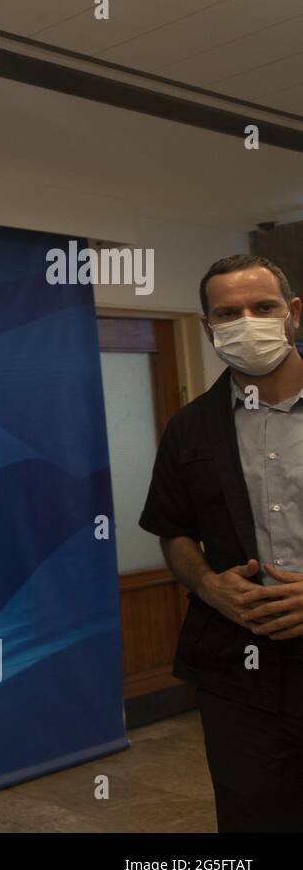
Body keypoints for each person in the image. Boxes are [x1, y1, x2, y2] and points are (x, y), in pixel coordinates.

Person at [139, 253, 303, 832]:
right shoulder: (189, 428)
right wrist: (209, 585)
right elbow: (173, 529)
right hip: (240, 672)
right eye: (228, 314)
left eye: (263, 307)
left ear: (293, 313)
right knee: (251, 816)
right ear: (208, 328)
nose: (247, 322)